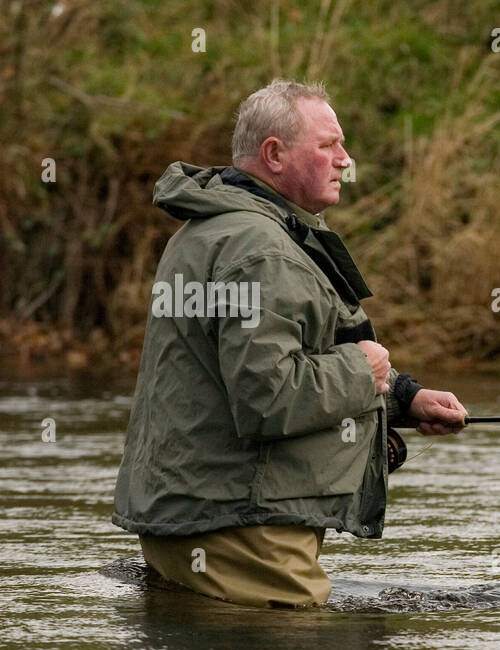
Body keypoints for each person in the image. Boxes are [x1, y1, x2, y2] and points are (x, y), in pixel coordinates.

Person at [112, 79, 466, 608]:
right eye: (328, 145)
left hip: (193, 520)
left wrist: (401, 398)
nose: (345, 160)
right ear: (274, 154)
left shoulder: (208, 231)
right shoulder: (260, 250)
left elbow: (245, 370)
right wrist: (360, 372)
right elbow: (266, 395)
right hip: (244, 531)